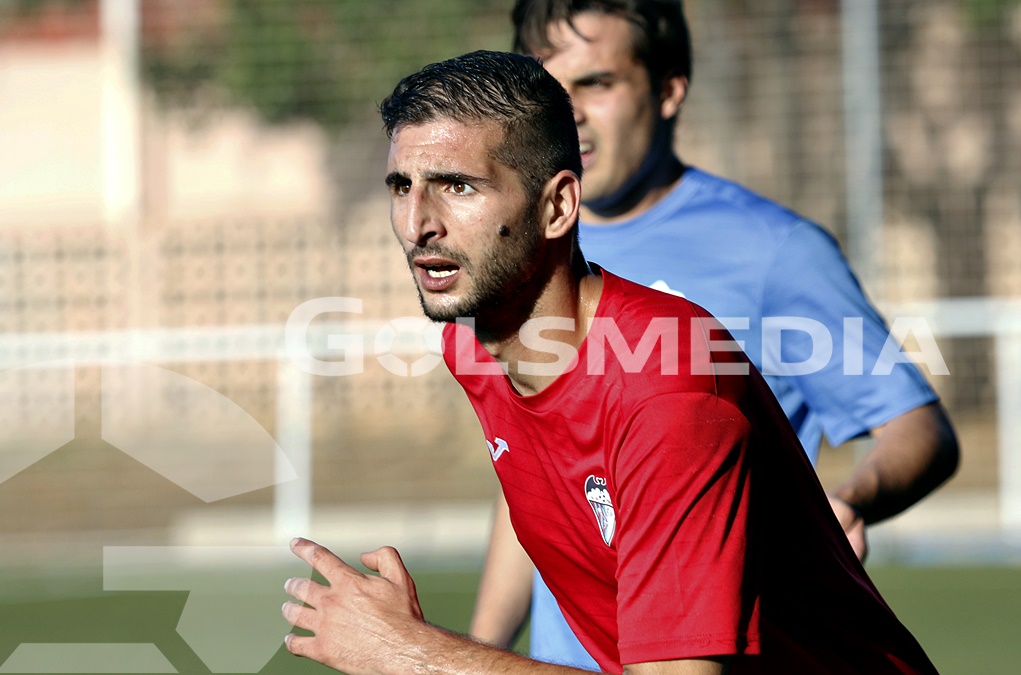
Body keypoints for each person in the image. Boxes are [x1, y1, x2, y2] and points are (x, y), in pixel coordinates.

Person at [282, 49, 938, 674]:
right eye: (403, 185)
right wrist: (466, 646)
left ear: (558, 205)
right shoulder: (474, 338)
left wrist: (414, 653)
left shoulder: (669, 393)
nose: (418, 221)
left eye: (457, 185)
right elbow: (546, 477)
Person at [468, 1, 960, 670]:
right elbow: (536, 475)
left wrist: (847, 501)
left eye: (597, 83)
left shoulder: (772, 251)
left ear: (670, 88)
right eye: (550, 88)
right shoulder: (515, 252)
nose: (571, 112)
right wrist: (479, 649)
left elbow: (916, 427)